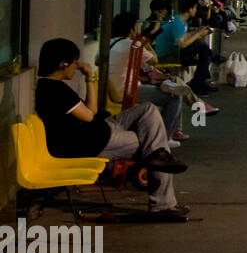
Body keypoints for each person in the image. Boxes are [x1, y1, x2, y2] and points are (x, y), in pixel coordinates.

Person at [35, 38, 189, 220]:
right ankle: (163, 206)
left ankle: (159, 161)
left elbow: (90, 111)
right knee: (155, 144)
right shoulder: (54, 90)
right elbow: (89, 116)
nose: (76, 66)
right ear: (63, 64)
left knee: (147, 110)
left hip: (100, 130)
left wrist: (89, 79)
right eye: (74, 62)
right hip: (92, 142)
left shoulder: (51, 87)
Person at [107, 12, 184, 143]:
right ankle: (163, 139)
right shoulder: (131, 45)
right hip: (128, 90)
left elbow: (98, 61)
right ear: (131, 29)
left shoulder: (109, 43)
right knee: (174, 98)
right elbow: (154, 60)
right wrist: (145, 43)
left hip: (115, 88)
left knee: (170, 88)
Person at [154, 0, 217, 96]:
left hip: (173, 52)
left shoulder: (178, 20)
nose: (196, 10)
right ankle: (199, 85)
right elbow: (182, 44)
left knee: (205, 57)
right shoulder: (178, 22)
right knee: (201, 46)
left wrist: (198, 33)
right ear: (189, 9)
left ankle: (199, 86)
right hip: (167, 56)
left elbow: (185, 38)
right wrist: (198, 34)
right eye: (195, 8)